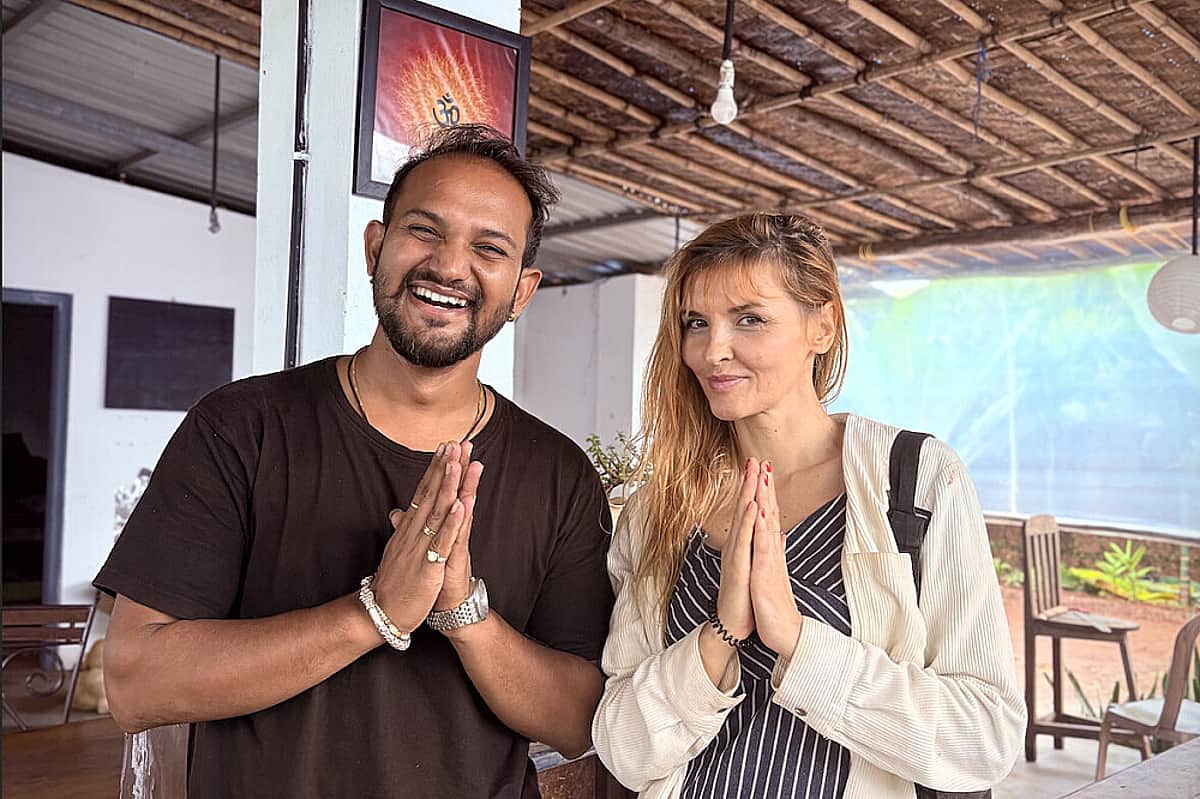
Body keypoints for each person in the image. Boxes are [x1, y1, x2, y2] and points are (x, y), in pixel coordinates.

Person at [96, 125, 615, 799]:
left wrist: (464, 614)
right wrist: (372, 613)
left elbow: (580, 719)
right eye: (424, 231)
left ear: (521, 291)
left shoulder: (560, 477)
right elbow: (135, 682)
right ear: (376, 248)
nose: (450, 266)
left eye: (490, 248)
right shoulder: (241, 429)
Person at [591, 213, 1024, 798]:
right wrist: (720, 634)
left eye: (749, 319)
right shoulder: (654, 511)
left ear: (821, 326)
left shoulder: (916, 481)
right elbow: (622, 746)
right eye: (697, 323)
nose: (713, 350)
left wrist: (795, 637)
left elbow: (984, 736)